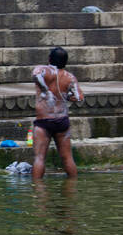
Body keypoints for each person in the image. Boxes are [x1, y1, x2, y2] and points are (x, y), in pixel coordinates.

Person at [31, 46, 84, 179]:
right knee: (67, 158)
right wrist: (66, 97)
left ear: (49, 59)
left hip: (44, 121)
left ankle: (38, 191)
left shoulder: (43, 70)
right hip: (62, 122)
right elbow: (79, 98)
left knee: (40, 158)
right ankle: (72, 188)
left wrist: (45, 90)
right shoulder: (70, 77)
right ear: (65, 62)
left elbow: (36, 75)